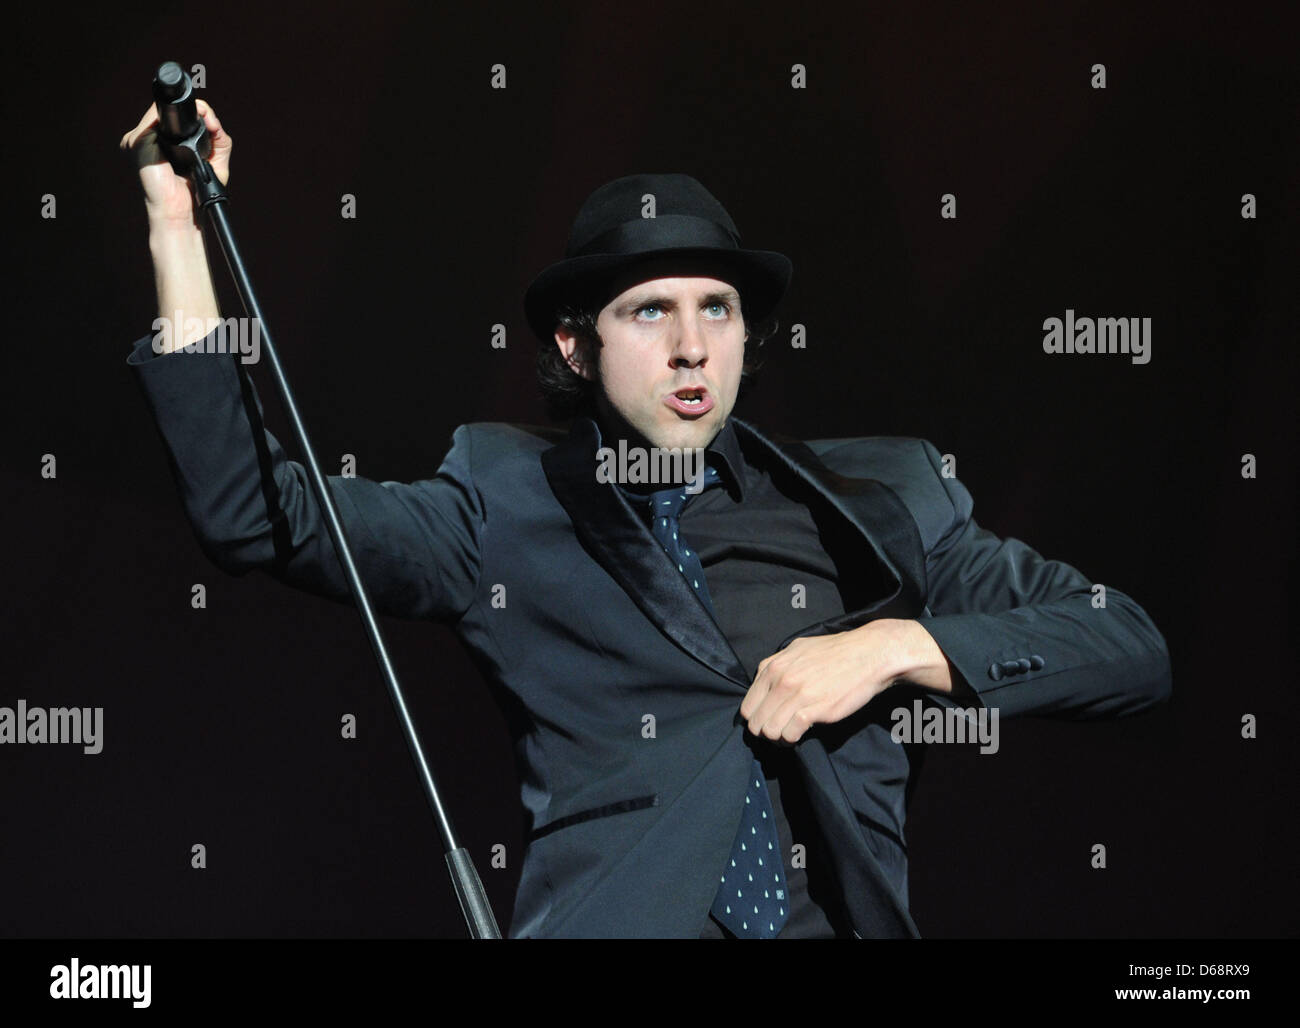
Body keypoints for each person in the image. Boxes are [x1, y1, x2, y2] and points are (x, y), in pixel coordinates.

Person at [120, 100, 1173, 939]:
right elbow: (255, 513)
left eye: (715, 307)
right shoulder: (500, 500)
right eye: (647, 310)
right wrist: (179, 228)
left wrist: (898, 645)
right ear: (577, 349)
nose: (689, 345)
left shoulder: (884, 496)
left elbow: (1126, 643)